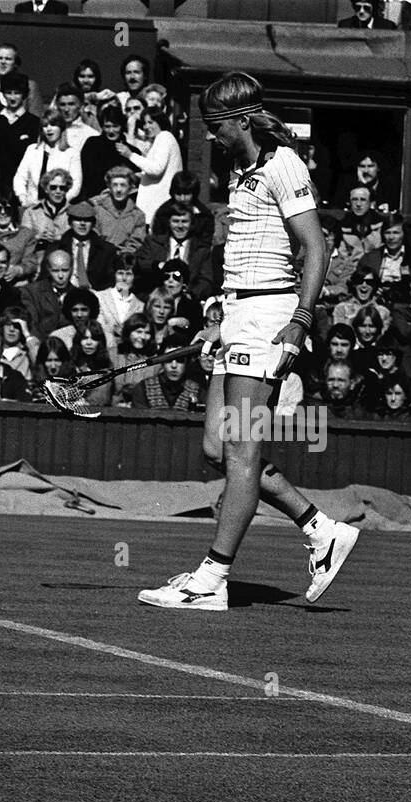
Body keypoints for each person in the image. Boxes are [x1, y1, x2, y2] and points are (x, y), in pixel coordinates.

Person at [134, 72, 359, 612]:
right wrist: (219, 317)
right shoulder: (240, 168)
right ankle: (321, 527)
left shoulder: (284, 164)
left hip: (270, 317)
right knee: (218, 447)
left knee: (241, 450)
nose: (210, 137)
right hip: (238, 314)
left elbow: (316, 247)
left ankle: (212, 579)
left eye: (215, 127)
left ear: (242, 120)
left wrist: (301, 320)